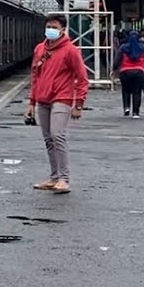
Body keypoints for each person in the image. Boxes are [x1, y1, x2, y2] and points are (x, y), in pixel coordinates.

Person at [24, 15, 88, 194]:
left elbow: (82, 79)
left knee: (57, 135)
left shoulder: (71, 51)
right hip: (42, 100)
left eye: (53, 27)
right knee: (48, 139)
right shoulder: (40, 49)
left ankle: (64, 179)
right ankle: (54, 178)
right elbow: (35, 76)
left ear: (62, 30)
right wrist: (31, 102)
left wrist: (79, 104)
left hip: (62, 98)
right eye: (48, 26)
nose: (50, 30)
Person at [113, 31, 144, 118]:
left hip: (125, 72)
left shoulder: (123, 47)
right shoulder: (143, 47)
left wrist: (113, 69)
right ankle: (135, 113)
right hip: (139, 72)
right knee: (137, 92)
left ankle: (126, 108)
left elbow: (117, 60)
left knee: (125, 90)